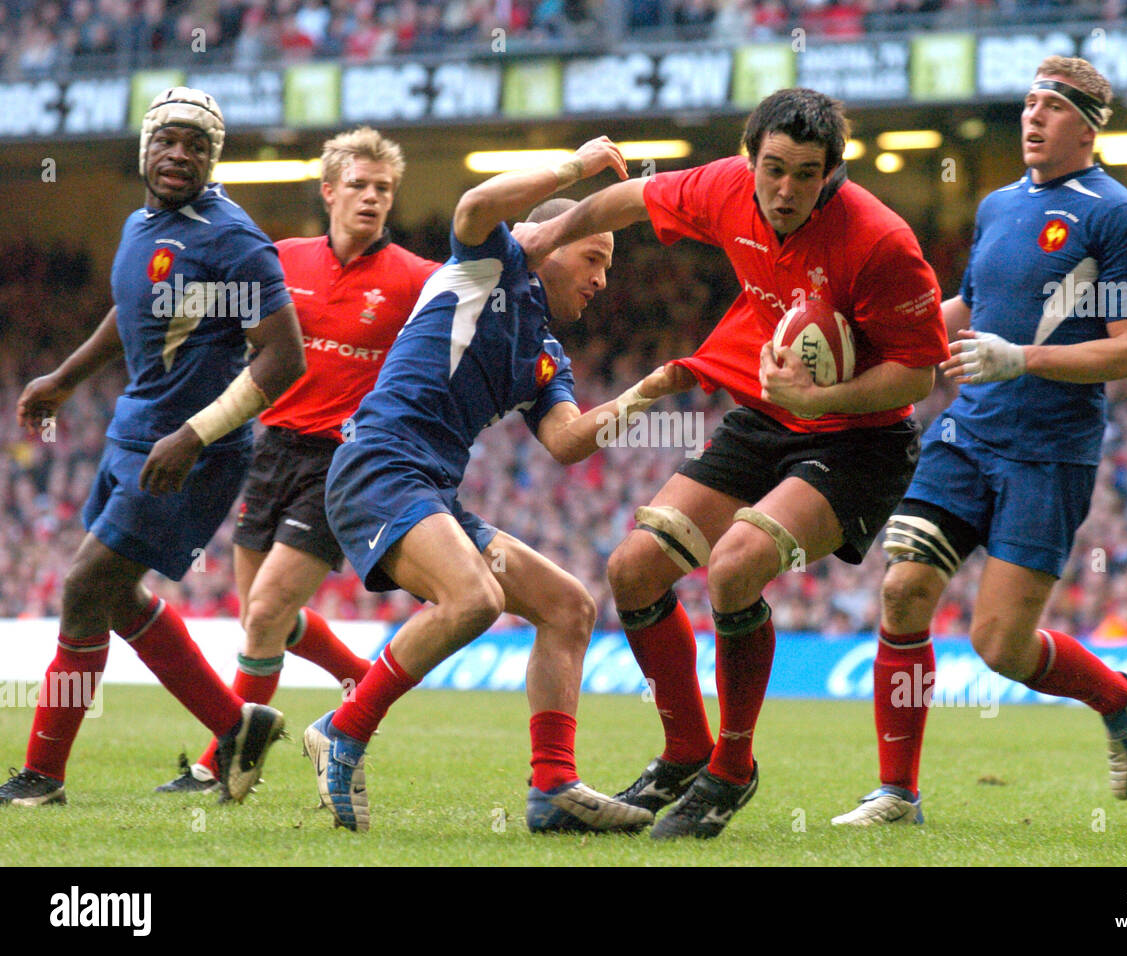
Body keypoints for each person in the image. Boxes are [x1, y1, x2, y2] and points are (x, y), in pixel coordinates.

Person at [521, 88, 949, 839]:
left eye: (805, 175)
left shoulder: (880, 242)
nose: (784, 191)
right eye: (773, 169)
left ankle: (731, 766)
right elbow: (629, 197)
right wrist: (552, 229)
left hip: (861, 439)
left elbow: (917, 374)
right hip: (765, 414)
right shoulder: (723, 187)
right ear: (749, 158)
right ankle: (683, 749)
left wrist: (826, 401)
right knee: (633, 569)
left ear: (832, 174)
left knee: (734, 565)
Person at [304, 136, 688, 834]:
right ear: (555, 243)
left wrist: (649, 391)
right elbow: (479, 203)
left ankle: (553, 787)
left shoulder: (543, 351)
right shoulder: (492, 264)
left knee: (568, 607)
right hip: (379, 464)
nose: (603, 279)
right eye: (594, 258)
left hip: (429, 491)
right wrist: (576, 166)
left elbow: (568, 442)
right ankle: (345, 728)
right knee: (475, 599)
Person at [831, 56, 1127, 828]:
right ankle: (896, 794)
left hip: (1049, 449)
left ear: (1086, 126)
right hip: (970, 431)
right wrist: (874, 343)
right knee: (904, 588)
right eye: (1027, 105)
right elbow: (969, 305)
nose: (1032, 119)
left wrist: (1026, 358)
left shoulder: (1118, 219)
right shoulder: (996, 206)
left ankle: (1119, 698)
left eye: (1049, 108)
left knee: (1001, 645)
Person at [0, 87, 306, 807]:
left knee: (84, 588)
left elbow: (285, 357)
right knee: (113, 595)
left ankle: (42, 778)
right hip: (133, 433)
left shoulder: (231, 237)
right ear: (146, 147)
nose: (180, 155)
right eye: (168, 139)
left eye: (196, 145)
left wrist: (195, 433)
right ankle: (237, 727)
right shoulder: (146, 223)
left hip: (192, 450)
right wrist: (66, 377)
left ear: (213, 159)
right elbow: (132, 306)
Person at [155, 127, 439, 794]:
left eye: (384, 189)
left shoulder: (416, 279)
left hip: (341, 463)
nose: (372, 198)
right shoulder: (283, 259)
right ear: (330, 191)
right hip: (270, 449)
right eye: (361, 186)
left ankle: (221, 763)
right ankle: (366, 684)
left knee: (263, 615)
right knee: (264, 616)